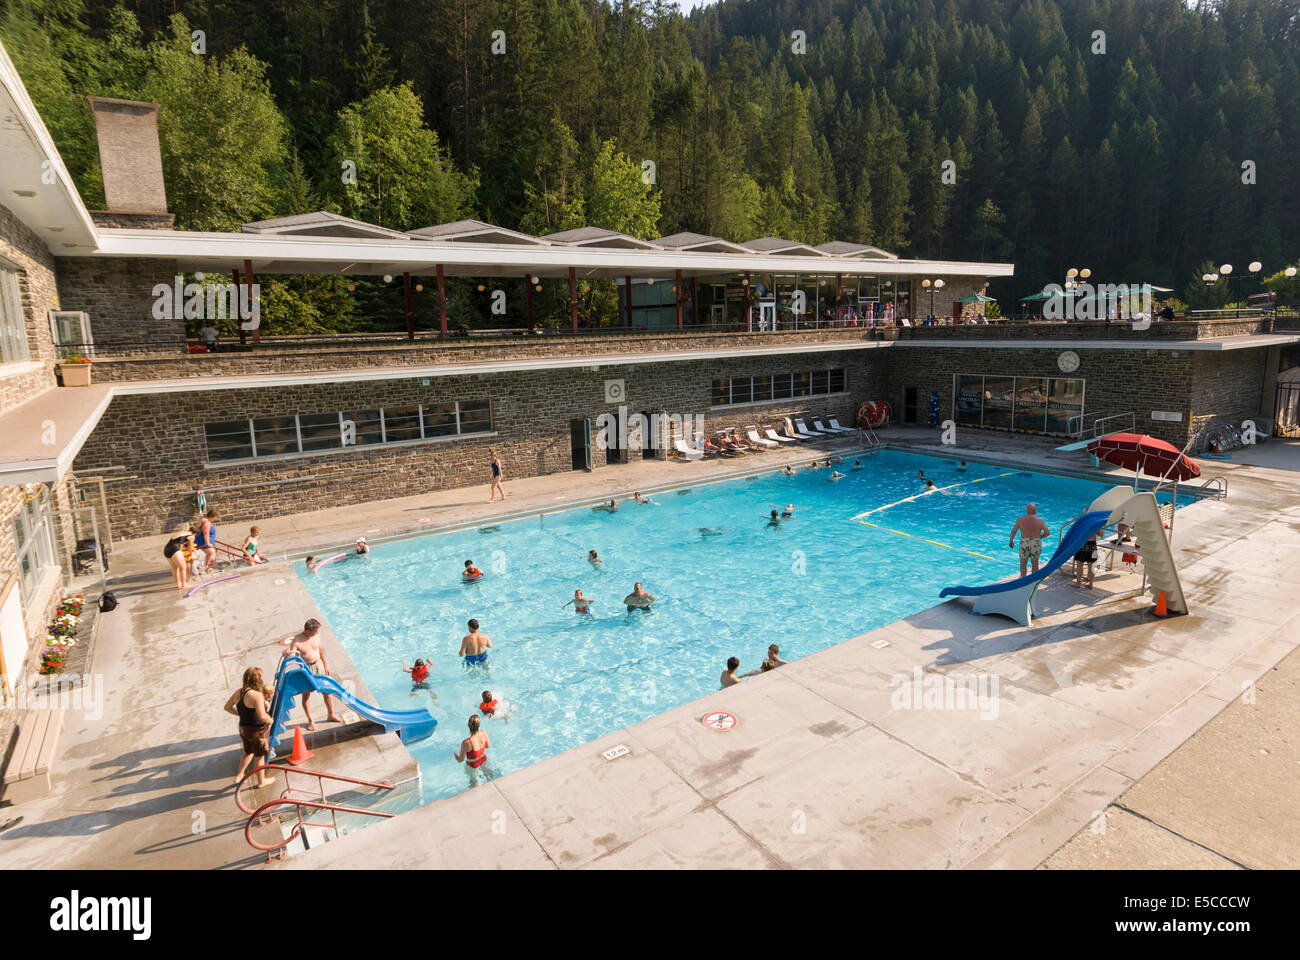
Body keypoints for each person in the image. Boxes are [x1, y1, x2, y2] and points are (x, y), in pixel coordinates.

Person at [282, 619, 345, 730]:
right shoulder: (297, 641)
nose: (317, 633)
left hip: (319, 665)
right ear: (308, 631)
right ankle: (311, 721)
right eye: (315, 631)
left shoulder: (316, 634)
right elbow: (292, 657)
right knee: (306, 696)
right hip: (306, 669)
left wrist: (325, 665)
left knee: (327, 692)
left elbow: (320, 650)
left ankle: (331, 714)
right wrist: (286, 654)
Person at [224, 666, 275, 788]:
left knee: (248, 752)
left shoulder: (239, 692)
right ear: (258, 680)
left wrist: (240, 714)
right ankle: (262, 781)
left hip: (243, 728)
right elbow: (262, 716)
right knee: (259, 756)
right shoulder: (256, 695)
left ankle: (239, 775)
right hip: (256, 731)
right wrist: (270, 720)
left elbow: (227, 707)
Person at [1009, 504, 1051, 578]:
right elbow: (1047, 533)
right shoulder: (1040, 520)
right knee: (1035, 563)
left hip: (1024, 542)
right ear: (1035, 511)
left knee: (1023, 563)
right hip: (1036, 542)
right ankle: (1033, 579)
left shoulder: (1020, 519)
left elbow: (1014, 531)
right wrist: (1040, 537)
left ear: (1027, 510)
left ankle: (1023, 579)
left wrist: (1011, 540)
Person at [163, 528, 196, 593]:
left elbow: (179, 542)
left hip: (166, 549)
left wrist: (180, 551)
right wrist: (191, 554)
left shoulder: (182, 532)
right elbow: (190, 548)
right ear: (195, 533)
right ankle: (184, 584)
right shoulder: (191, 536)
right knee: (183, 567)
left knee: (175, 568)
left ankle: (178, 584)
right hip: (175, 549)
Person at [193, 507, 220, 573]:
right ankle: (206, 566)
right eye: (216, 517)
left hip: (205, 540)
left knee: (212, 552)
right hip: (203, 541)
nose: (216, 518)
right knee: (210, 552)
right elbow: (206, 533)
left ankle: (211, 565)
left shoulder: (203, 519)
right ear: (214, 516)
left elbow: (196, 528)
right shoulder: (206, 522)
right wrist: (208, 543)